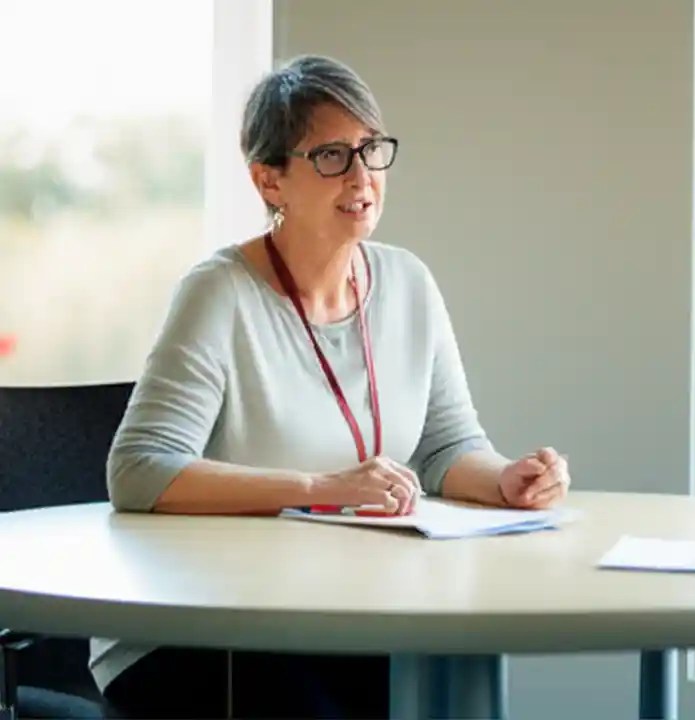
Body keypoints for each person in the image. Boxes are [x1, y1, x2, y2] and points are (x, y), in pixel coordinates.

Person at [96, 54, 572, 718]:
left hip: (348, 614)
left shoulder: (408, 284)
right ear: (270, 181)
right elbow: (141, 471)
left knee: (457, 677)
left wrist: (506, 479)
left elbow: (446, 447)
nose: (362, 177)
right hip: (205, 628)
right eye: (330, 156)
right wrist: (322, 491)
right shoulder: (219, 293)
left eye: (371, 151)